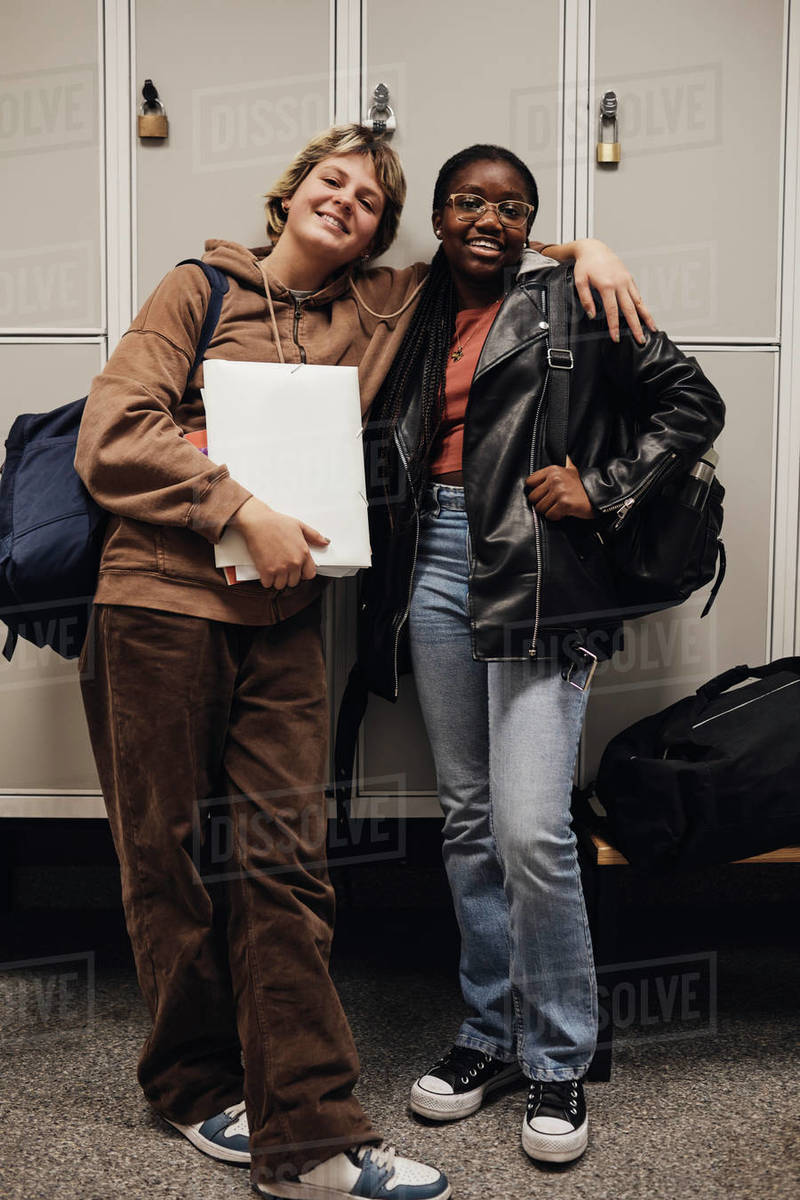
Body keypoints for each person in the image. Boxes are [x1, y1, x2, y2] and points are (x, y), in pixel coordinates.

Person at [75, 123, 654, 1200]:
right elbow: (110, 431)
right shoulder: (198, 288)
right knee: (168, 859)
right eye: (329, 183)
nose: (345, 201)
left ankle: (307, 1135)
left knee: (287, 867)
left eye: (366, 198)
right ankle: (198, 1088)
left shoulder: (378, 307)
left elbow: (486, 241)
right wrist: (236, 504)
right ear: (292, 193)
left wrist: (586, 250)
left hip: (287, 619)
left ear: (380, 233)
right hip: (157, 602)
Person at [355, 144, 724, 1168]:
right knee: (468, 820)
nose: (489, 216)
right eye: (468, 199)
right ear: (435, 215)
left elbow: (691, 403)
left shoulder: (572, 295)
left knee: (528, 828)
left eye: (511, 204)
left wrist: (600, 488)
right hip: (427, 561)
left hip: (534, 571)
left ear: (530, 221)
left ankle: (559, 1050)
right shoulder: (404, 308)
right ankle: (488, 1033)